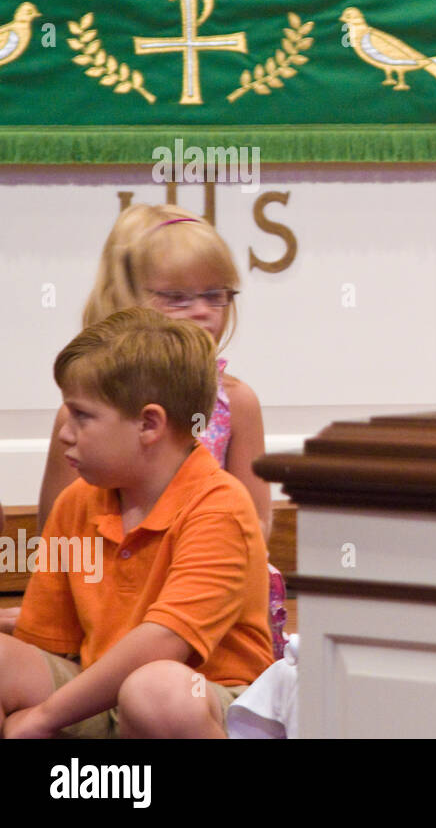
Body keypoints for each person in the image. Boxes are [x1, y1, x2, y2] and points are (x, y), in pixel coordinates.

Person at [0, 308, 273, 738]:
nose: (64, 433)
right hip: (98, 690)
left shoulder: (221, 506)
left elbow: (163, 643)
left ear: (149, 424)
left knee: (154, 691)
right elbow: (46, 642)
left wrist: (44, 717)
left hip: (207, 698)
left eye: (81, 416)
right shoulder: (76, 501)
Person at [36, 203, 272, 541]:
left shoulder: (237, 404)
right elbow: (57, 538)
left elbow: (256, 525)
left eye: (214, 294)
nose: (202, 311)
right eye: (177, 297)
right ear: (126, 298)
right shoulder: (82, 416)